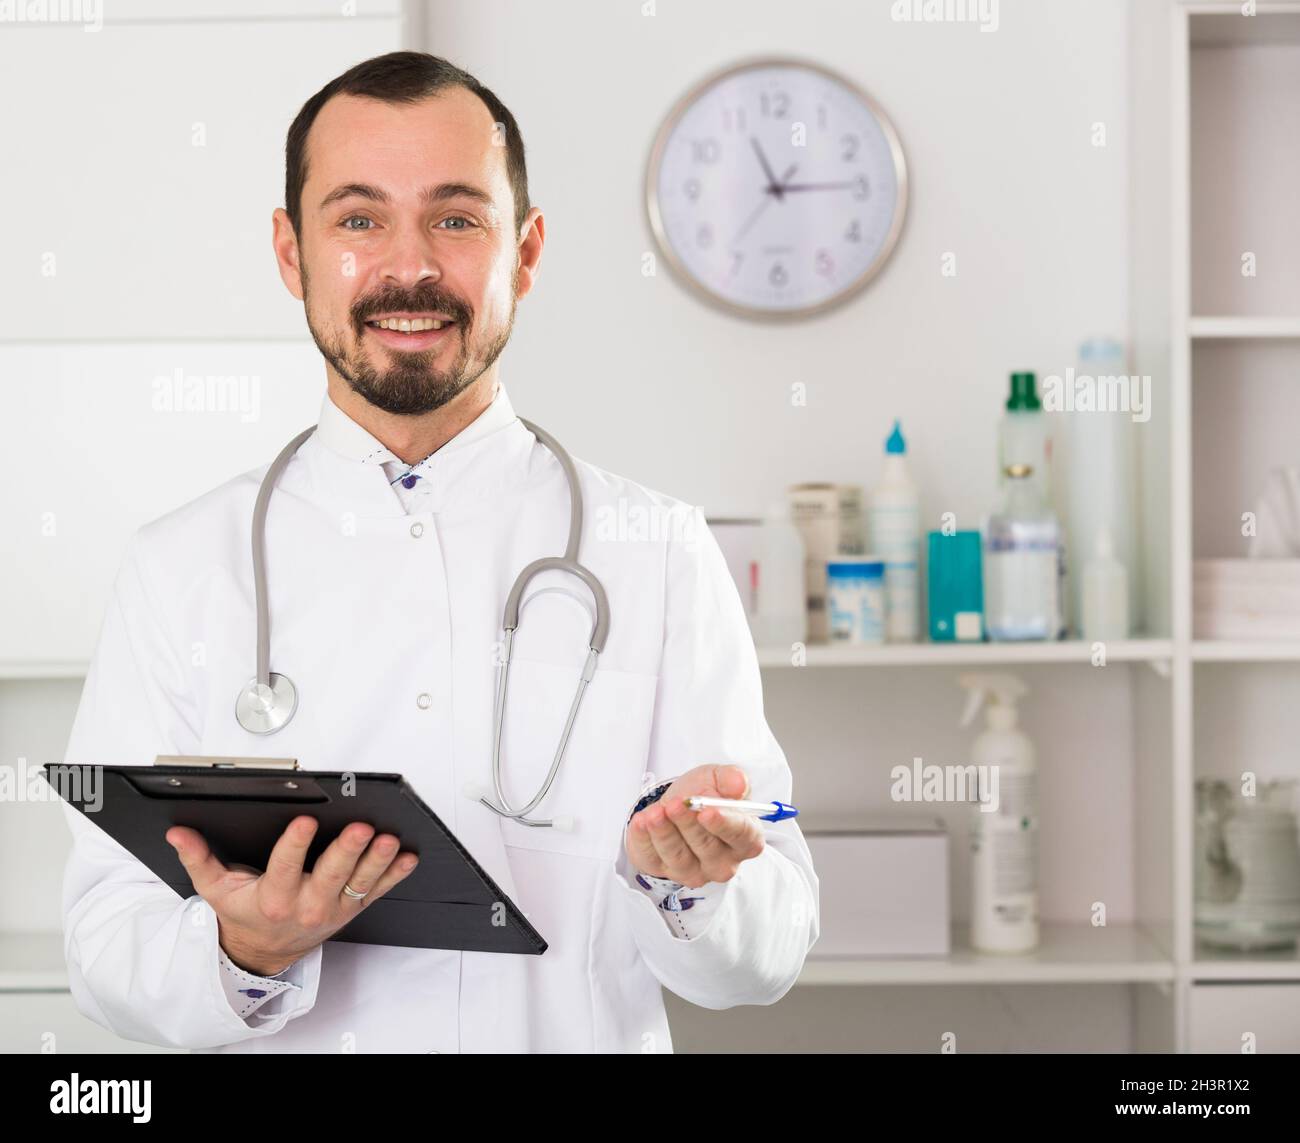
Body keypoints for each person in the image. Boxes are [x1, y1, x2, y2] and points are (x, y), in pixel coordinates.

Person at [58, 51, 818, 1054]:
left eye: (456, 218)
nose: (408, 267)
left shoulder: (659, 550)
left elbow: (770, 950)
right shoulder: (180, 566)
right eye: (358, 219)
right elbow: (103, 939)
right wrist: (244, 953)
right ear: (291, 252)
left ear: (527, 251)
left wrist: (684, 886)